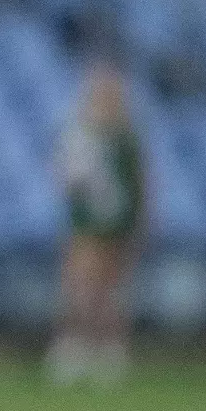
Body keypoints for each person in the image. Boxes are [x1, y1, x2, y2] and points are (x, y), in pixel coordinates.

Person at [46, 60, 145, 387]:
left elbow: (141, 183)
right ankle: (74, 347)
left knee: (111, 289)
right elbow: (64, 178)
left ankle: (109, 349)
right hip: (86, 224)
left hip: (117, 223)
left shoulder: (126, 139)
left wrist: (140, 220)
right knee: (79, 286)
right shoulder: (79, 136)